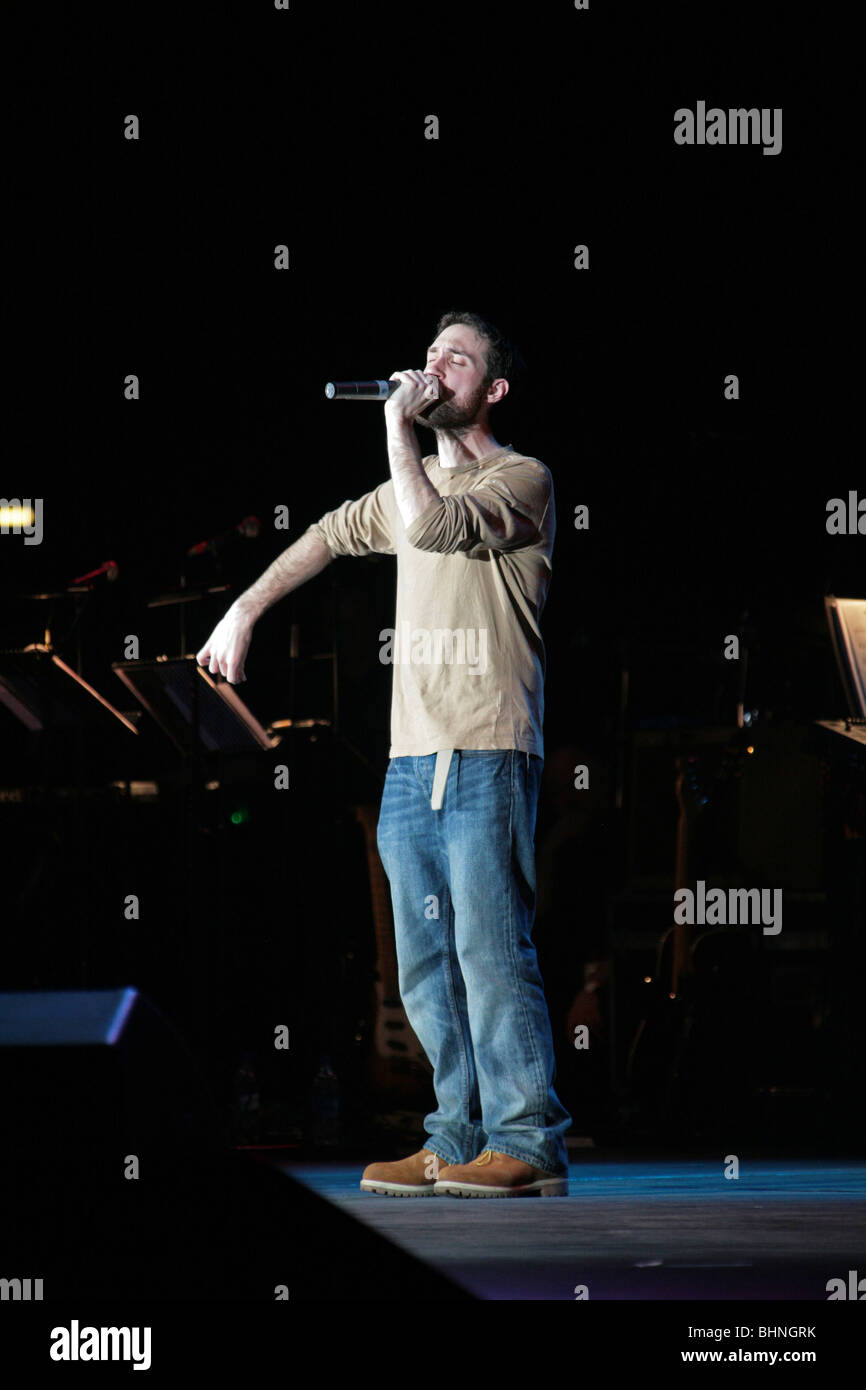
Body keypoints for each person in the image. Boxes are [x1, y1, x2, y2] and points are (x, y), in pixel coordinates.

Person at [196, 310, 572, 1197]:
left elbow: (436, 526)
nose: (433, 366)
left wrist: (397, 424)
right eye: (430, 352)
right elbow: (328, 535)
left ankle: (529, 1142)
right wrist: (244, 609)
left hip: (487, 748)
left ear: (493, 388)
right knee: (425, 962)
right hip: (412, 760)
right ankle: (452, 1137)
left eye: (458, 359)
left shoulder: (523, 480)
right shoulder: (405, 492)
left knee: (490, 950)